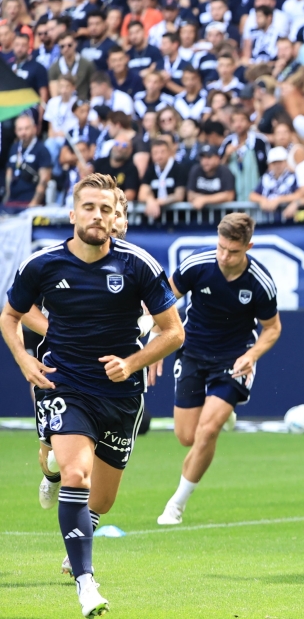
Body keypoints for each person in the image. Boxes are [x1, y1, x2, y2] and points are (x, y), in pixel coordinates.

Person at [1, 173, 184, 616]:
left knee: (101, 500)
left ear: (115, 215)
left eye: (106, 209)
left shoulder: (138, 264)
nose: (98, 216)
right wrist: (26, 361)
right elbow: (10, 316)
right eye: (89, 207)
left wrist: (132, 363)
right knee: (76, 475)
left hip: (121, 394)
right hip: (65, 383)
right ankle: (86, 582)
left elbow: (173, 332)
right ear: (73, 213)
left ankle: (55, 484)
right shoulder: (41, 265)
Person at [156, 214, 280, 525]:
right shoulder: (197, 264)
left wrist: (252, 355)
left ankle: (176, 505)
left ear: (248, 247)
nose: (224, 256)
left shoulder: (260, 282)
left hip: (233, 360)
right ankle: (223, 415)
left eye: (233, 251)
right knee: (187, 436)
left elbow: (273, 328)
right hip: (192, 353)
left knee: (207, 431)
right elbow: (164, 301)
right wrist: (156, 338)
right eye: (221, 247)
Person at [6, 115, 54, 207]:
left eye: (26, 128)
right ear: (15, 131)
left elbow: (44, 179)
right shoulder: (14, 147)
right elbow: (9, 173)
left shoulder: (41, 149)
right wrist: (7, 197)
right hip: (12, 201)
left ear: (34, 129)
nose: (23, 132)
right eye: (20, 129)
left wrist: (34, 204)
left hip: (30, 202)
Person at [140, 138, 190, 219]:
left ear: (169, 152)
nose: (159, 156)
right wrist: (150, 201)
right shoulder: (151, 169)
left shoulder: (179, 168)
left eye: (162, 152)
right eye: (155, 153)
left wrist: (157, 202)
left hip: (178, 218)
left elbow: (179, 195)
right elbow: (142, 193)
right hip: (154, 217)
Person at [186, 144, 236, 208]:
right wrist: (215, 198)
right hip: (200, 216)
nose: (205, 161)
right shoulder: (196, 170)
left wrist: (204, 199)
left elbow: (229, 196)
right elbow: (190, 195)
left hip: (221, 215)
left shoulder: (225, 171)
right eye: (203, 158)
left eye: (209, 157)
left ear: (217, 158)